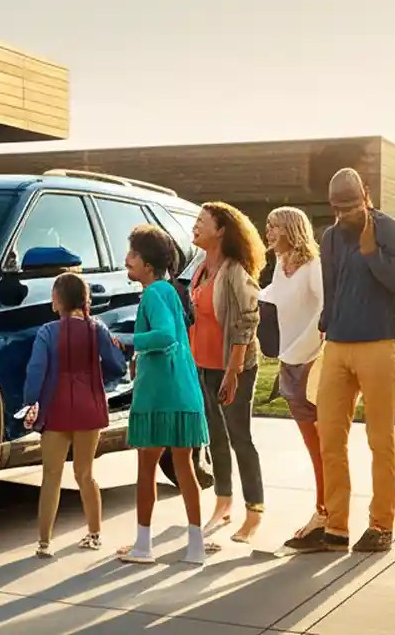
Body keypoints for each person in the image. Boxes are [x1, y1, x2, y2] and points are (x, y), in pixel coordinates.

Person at [306, 168, 395, 554]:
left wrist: (371, 252)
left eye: (350, 206)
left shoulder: (388, 229)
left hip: (379, 344)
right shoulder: (330, 238)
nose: (344, 214)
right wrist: (324, 325)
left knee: (379, 439)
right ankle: (336, 526)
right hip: (338, 344)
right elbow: (331, 289)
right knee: (329, 436)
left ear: (365, 195)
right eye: (337, 208)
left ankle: (381, 524)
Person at [116, 225, 216, 565]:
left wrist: (130, 342)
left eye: (133, 255)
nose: (127, 259)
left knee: (147, 468)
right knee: (184, 467)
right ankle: (195, 546)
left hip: (159, 396)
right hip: (184, 391)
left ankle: (143, 546)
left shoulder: (153, 294)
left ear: (147, 263)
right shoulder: (171, 291)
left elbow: (165, 337)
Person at [22, 272, 126, 557]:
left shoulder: (47, 332)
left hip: (55, 410)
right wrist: (97, 379)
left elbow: (35, 371)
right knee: (85, 473)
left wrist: (30, 402)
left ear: (58, 300)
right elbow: (118, 365)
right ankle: (94, 534)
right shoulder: (98, 329)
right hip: (89, 407)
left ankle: (44, 542)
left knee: (51, 476)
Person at [189, 202, 267, 543]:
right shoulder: (200, 268)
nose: (195, 226)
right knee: (216, 440)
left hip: (233, 368)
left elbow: (248, 321)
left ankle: (254, 513)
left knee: (240, 439)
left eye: (202, 222)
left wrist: (233, 372)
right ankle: (223, 503)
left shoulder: (234, 272)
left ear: (220, 230)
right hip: (204, 366)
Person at [259, 207, 328, 550]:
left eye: (273, 226)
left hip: (312, 363)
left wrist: (318, 348)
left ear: (290, 229)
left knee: (323, 447)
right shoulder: (280, 267)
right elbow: (270, 298)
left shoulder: (313, 266)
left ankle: (326, 515)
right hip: (289, 362)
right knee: (313, 447)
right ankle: (324, 512)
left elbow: (326, 308)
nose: (268, 231)